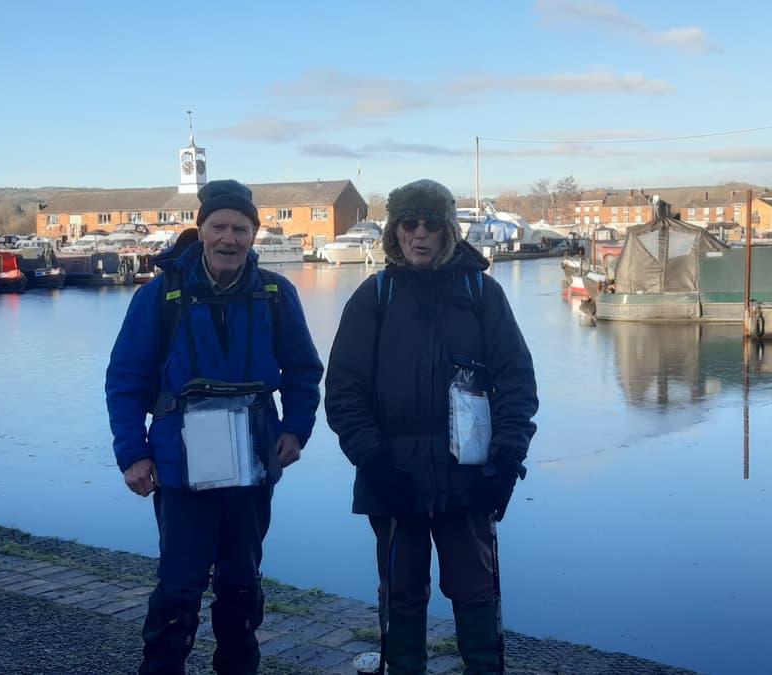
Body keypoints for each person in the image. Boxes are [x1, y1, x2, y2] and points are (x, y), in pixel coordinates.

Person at [105, 179, 323, 675]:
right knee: (180, 587)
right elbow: (125, 381)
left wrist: (297, 428)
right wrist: (132, 454)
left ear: (254, 235)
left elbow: (305, 371)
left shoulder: (276, 294)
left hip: (253, 465)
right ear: (200, 230)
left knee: (242, 584)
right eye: (219, 227)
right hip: (180, 470)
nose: (230, 239)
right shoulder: (160, 297)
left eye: (241, 229)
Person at [325, 179, 538, 674]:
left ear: (449, 231)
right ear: (394, 231)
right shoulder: (372, 298)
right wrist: (373, 462)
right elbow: (343, 393)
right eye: (408, 223)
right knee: (401, 595)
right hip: (393, 477)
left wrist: (507, 459)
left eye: (431, 224)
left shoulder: (482, 294)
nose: (418, 235)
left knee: (475, 590)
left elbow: (517, 384)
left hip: (469, 476)